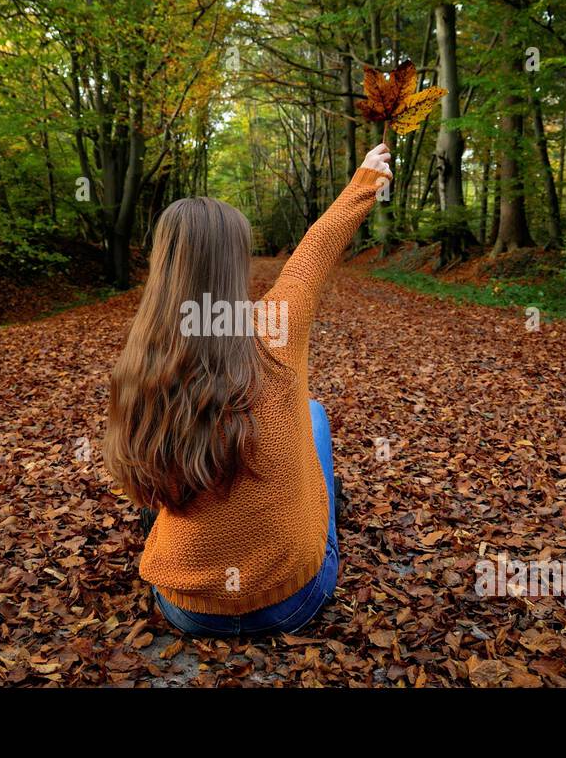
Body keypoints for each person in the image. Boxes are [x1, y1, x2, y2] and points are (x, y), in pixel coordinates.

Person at [104, 144, 393, 636]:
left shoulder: (143, 359)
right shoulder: (274, 330)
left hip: (185, 607)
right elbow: (315, 253)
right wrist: (366, 179)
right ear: (233, 263)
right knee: (314, 414)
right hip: (291, 600)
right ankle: (316, 511)